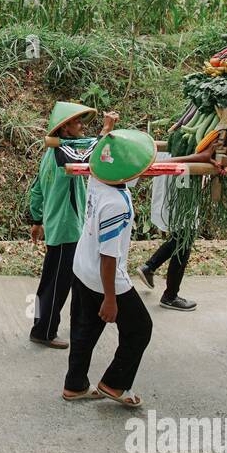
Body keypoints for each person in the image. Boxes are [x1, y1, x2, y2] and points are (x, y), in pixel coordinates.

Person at [62, 127, 157, 407]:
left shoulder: (97, 176)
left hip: (81, 267)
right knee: (140, 328)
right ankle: (114, 384)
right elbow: (108, 256)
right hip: (105, 278)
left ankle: (75, 385)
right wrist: (111, 299)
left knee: (84, 330)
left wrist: (106, 132)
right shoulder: (117, 205)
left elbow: (144, 168)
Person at [28, 101, 100, 348]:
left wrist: (37, 220)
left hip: (57, 226)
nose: (82, 126)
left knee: (50, 281)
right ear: (65, 128)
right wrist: (106, 133)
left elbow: (36, 190)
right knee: (57, 284)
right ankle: (44, 331)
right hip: (66, 228)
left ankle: (41, 326)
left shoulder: (50, 153)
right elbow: (91, 156)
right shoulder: (62, 153)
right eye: (78, 122)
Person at [136, 140, 222, 312]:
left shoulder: (188, 137)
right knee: (185, 236)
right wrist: (201, 157)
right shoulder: (188, 140)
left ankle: (150, 267)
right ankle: (170, 295)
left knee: (182, 235)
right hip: (180, 180)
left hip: (180, 176)